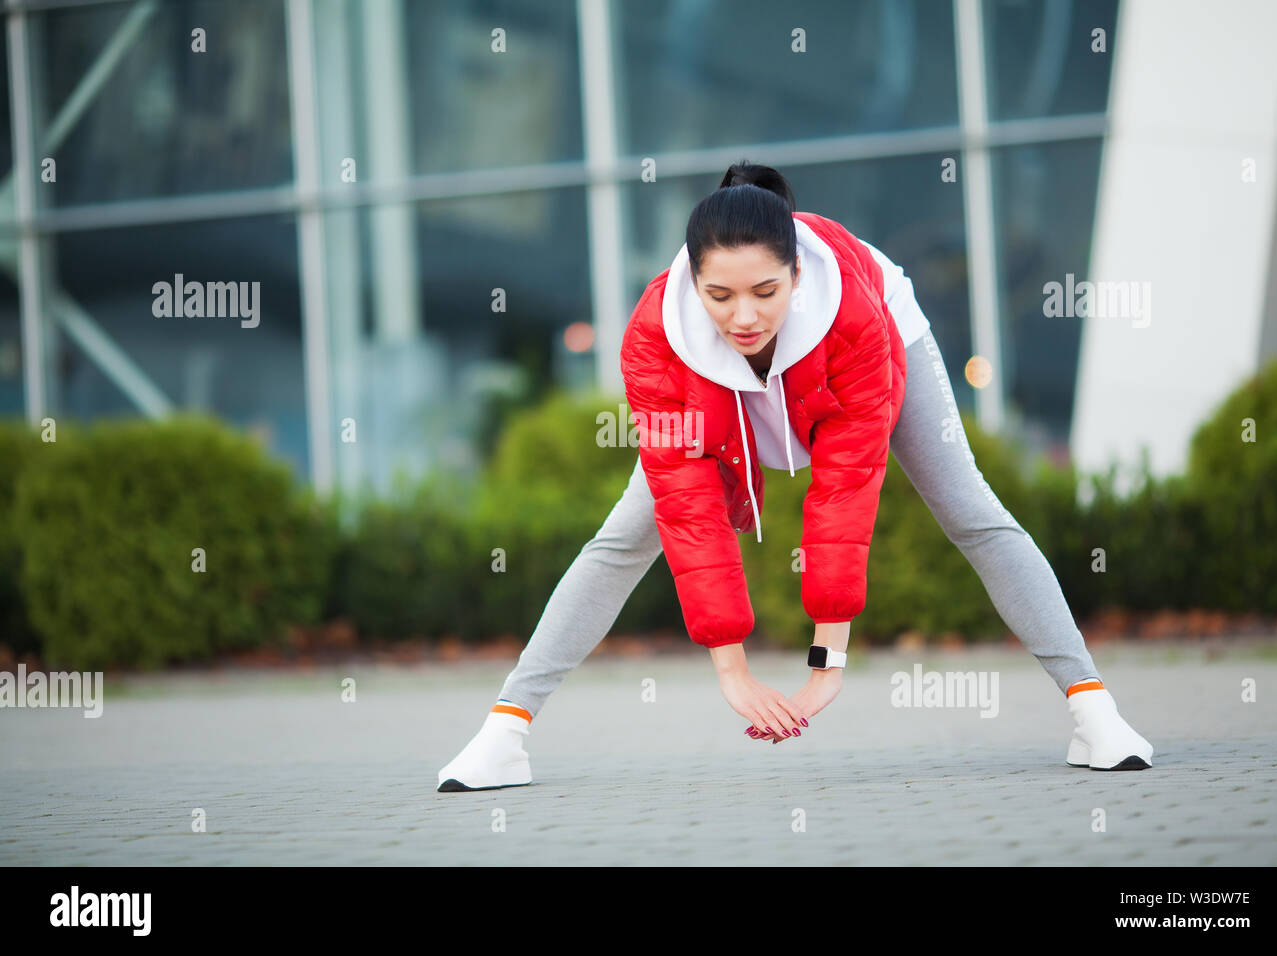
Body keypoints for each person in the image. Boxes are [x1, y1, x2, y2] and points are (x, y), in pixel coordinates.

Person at [437, 162, 1153, 791]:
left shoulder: (852, 318)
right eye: (720, 296)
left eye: (765, 292)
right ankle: (506, 731)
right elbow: (690, 509)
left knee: (969, 508)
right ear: (693, 281)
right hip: (714, 398)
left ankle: (1093, 710)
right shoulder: (658, 338)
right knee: (626, 536)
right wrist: (732, 670)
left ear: (797, 275)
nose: (743, 316)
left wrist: (827, 661)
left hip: (862, 355)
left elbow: (844, 490)